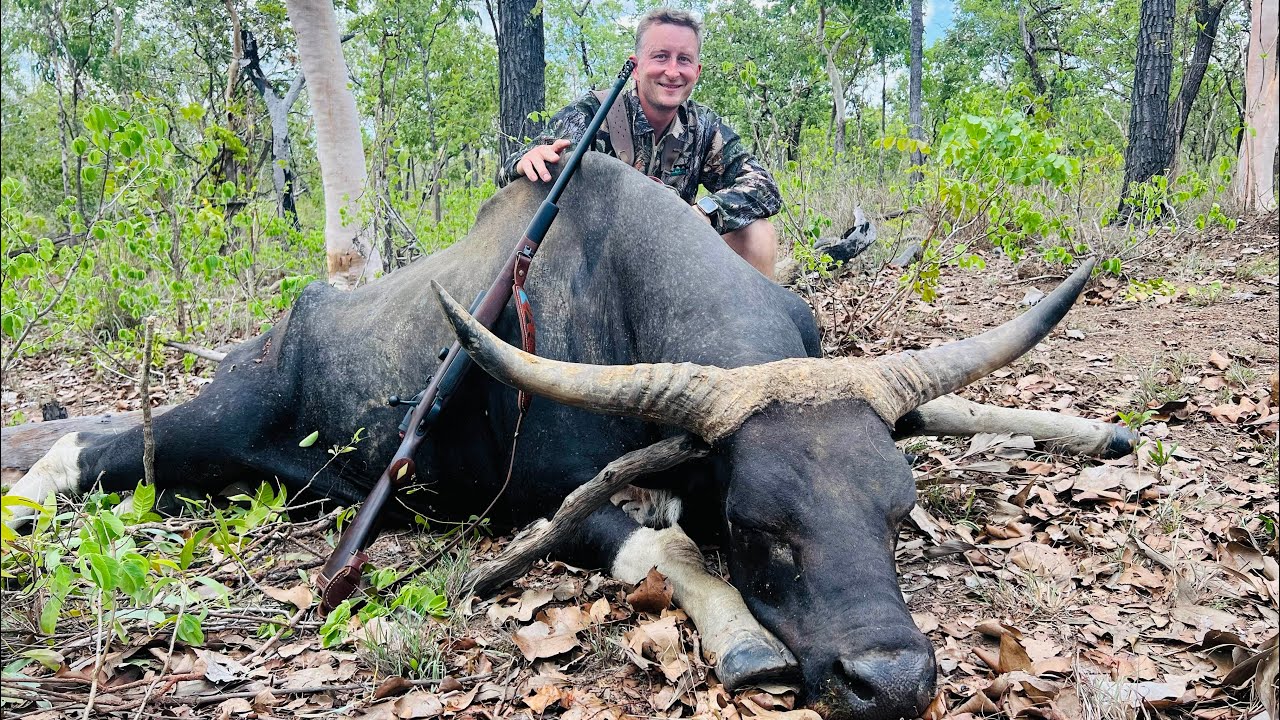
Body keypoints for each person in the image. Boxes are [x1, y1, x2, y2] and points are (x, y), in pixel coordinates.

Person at [497, 8, 782, 278]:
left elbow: (764, 188)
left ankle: (745, 329)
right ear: (636, 66)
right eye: (660, 57)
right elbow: (523, 164)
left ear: (697, 71)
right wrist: (522, 161)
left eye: (684, 59)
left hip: (673, 257)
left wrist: (706, 211)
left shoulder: (704, 126)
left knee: (759, 235)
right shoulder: (594, 113)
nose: (672, 71)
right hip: (597, 268)